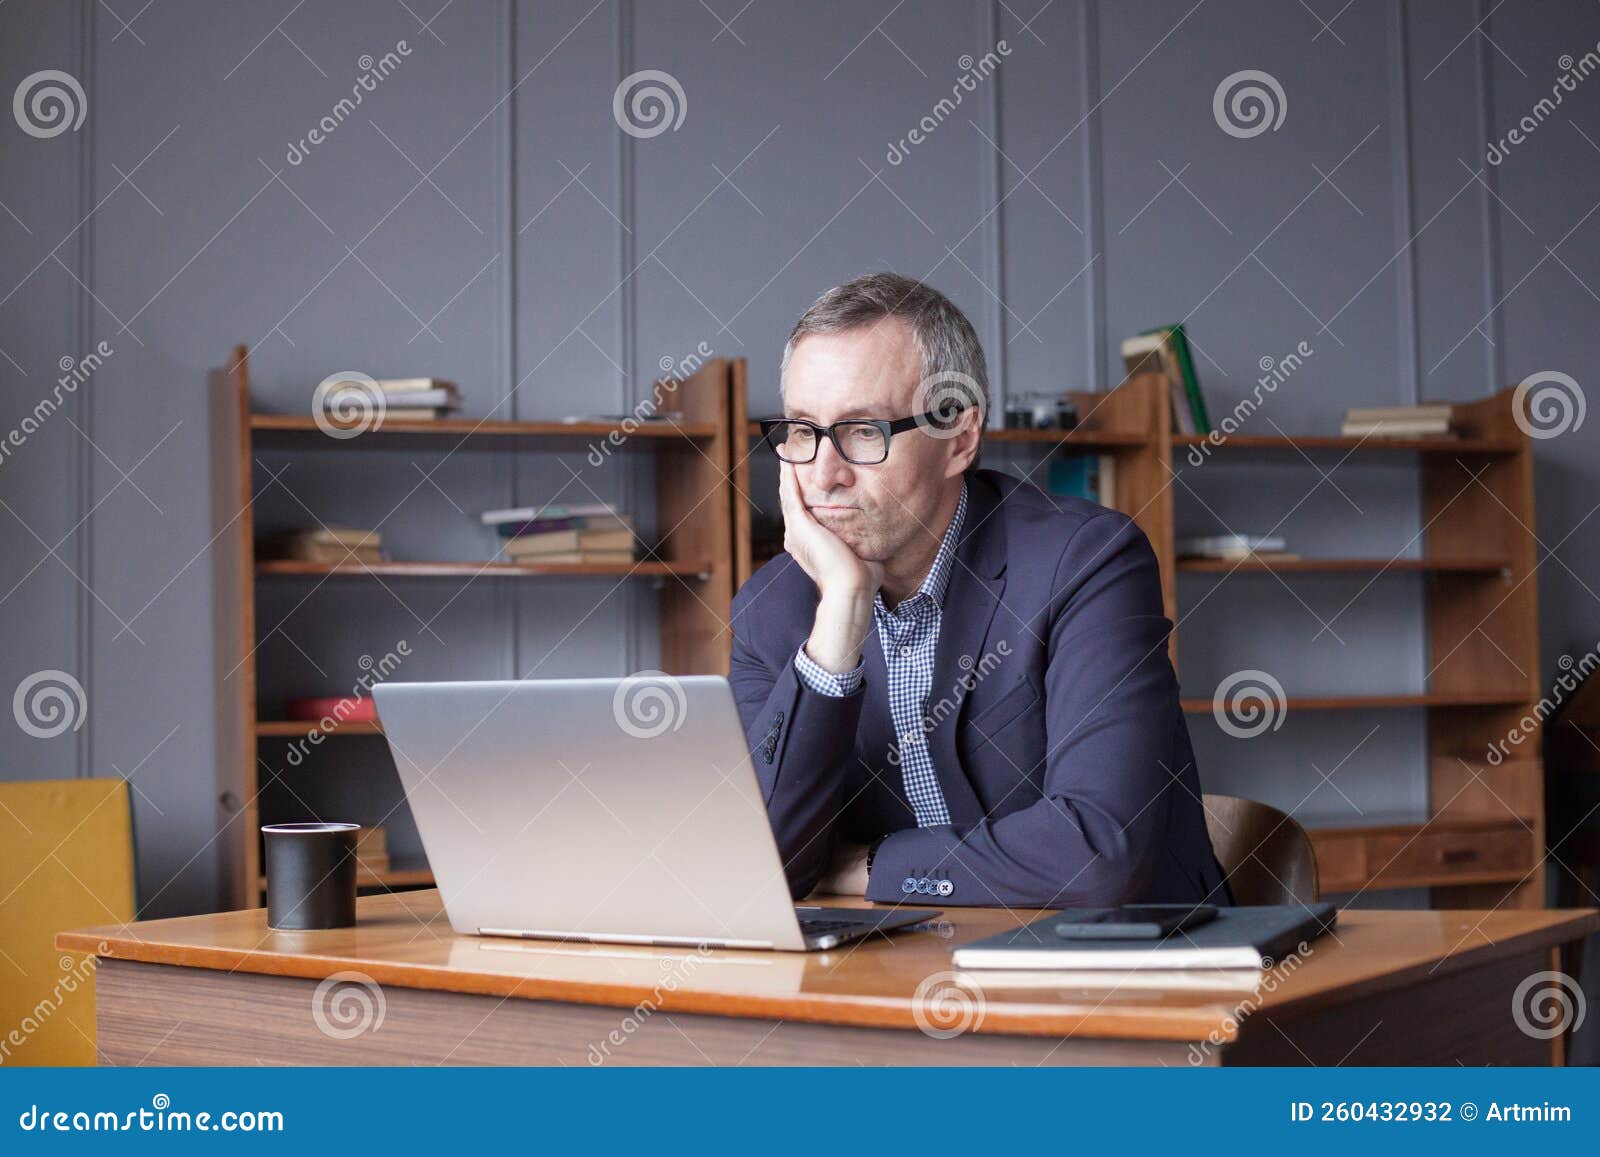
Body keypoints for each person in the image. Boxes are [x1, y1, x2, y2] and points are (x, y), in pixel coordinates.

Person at [729, 271, 1228, 907]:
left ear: (959, 438)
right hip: (905, 961)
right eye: (803, 431)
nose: (825, 475)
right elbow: (760, 866)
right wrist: (841, 618)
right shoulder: (771, 611)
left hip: (1130, 958)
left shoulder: (1087, 562)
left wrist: (874, 866)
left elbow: (1098, 857)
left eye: (863, 431)